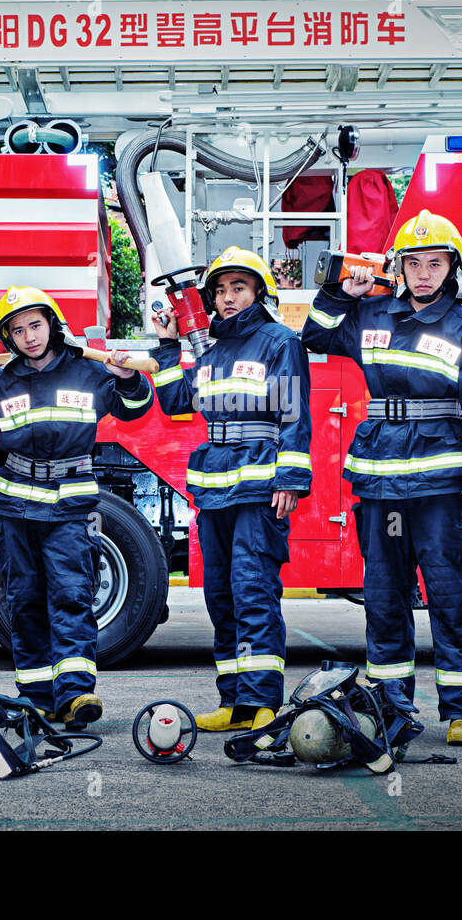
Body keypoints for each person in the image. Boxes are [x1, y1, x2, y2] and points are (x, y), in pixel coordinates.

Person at [301, 210, 462, 746]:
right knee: (385, 598)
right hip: (381, 486)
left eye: (435, 263)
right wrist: (341, 293)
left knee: (451, 595)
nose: (424, 273)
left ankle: (461, 710)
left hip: (441, 489)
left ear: (451, 268)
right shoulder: (370, 316)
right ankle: (392, 708)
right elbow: (315, 337)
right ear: (399, 267)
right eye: (414, 263)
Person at [150, 246, 312, 732]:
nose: (226, 298)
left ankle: (262, 701)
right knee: (221, 595)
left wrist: (291, 478)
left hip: (259, 488)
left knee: (254, 591)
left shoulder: (279, 343)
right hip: (216, 490)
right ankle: (233, 701)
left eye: (237, 287)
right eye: (220, 290)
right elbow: (179, 401)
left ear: (260, 292)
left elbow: (293, 417)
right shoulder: (211, 350)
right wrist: (164, 346)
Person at [0, 286, 153, 728]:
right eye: (17, 330)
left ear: (52, 325)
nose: (29, 337)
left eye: (36, 325)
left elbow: (137, 409)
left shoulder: (88, 372)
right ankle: (37, 697)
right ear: (8, 338)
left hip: (68, 505)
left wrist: (127, 377)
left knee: (71, 594)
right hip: (15, 505)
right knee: (23, 600)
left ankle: (76, 694)